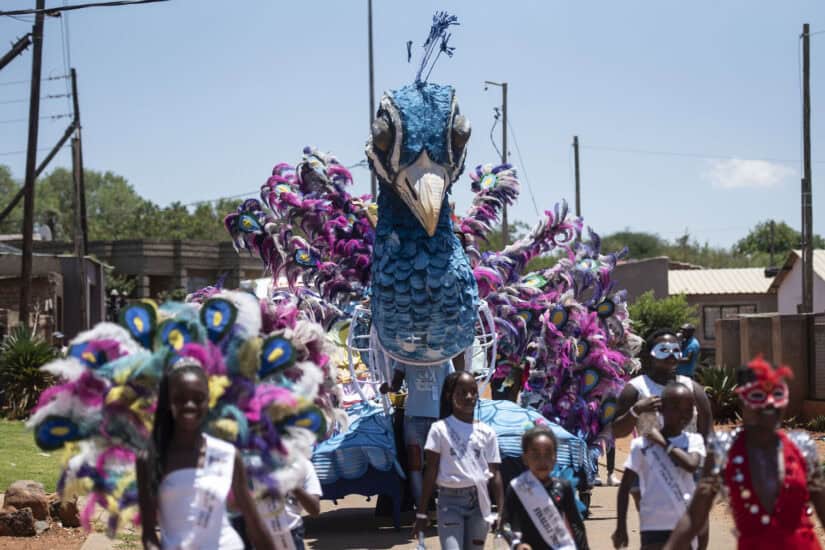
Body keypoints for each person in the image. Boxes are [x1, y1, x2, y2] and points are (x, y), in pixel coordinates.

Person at [664, 357, 825, 550]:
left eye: (777, 394)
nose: (770, 404)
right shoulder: (723, 451)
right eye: (758, 396)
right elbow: (695, 517)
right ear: (741, 399)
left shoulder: (802, 447)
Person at [136, 362, 275, 550]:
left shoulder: (228, 455)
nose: (190, 405)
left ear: (208, 401)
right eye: (180, 398)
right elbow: (149, 535)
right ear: (169, 402)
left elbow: (253, 522)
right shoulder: (151, 459)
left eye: (198, 398)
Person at [413, 370, 504, 550]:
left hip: (479, 503)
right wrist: (422, 513)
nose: (469, 396)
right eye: (462, 392)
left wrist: (501, 511)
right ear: (449, 396)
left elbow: (495, 474)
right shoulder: (439, 430)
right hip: (449, 503)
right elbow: (430, 472)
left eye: (473, 391)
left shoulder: (487, 433)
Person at [612, 382, 705, 550]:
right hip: (652, 525)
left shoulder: (694, 441)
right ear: (661, 410)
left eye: (688, 408)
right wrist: (621, 526)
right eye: (676, 408)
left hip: (685, 522)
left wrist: (664, 443)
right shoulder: (641, 445)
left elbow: (691, 464)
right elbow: (624, 487)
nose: (683, 414)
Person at [502, 424, 590, 550]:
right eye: (535, 455)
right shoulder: (517, 487)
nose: (542, 461)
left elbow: (576, 525)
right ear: (525, 458)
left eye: (548, 454)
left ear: (555, 458)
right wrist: (517, 544)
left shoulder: (563, 487)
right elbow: (505, 525)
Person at [380, 359, 453, 508]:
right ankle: (427, 508)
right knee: (423, 465)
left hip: (427, 418)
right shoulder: (407, 356)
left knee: (428, 464)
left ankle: (430, 508)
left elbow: (451, 386)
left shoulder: (441, 355)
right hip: (423, 418)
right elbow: (396, 384)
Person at [255, 457, 322, 550]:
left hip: (292, 533)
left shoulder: (304, 465)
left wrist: (291, 483)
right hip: (261, 535)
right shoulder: (252, 464)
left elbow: (315, 509)